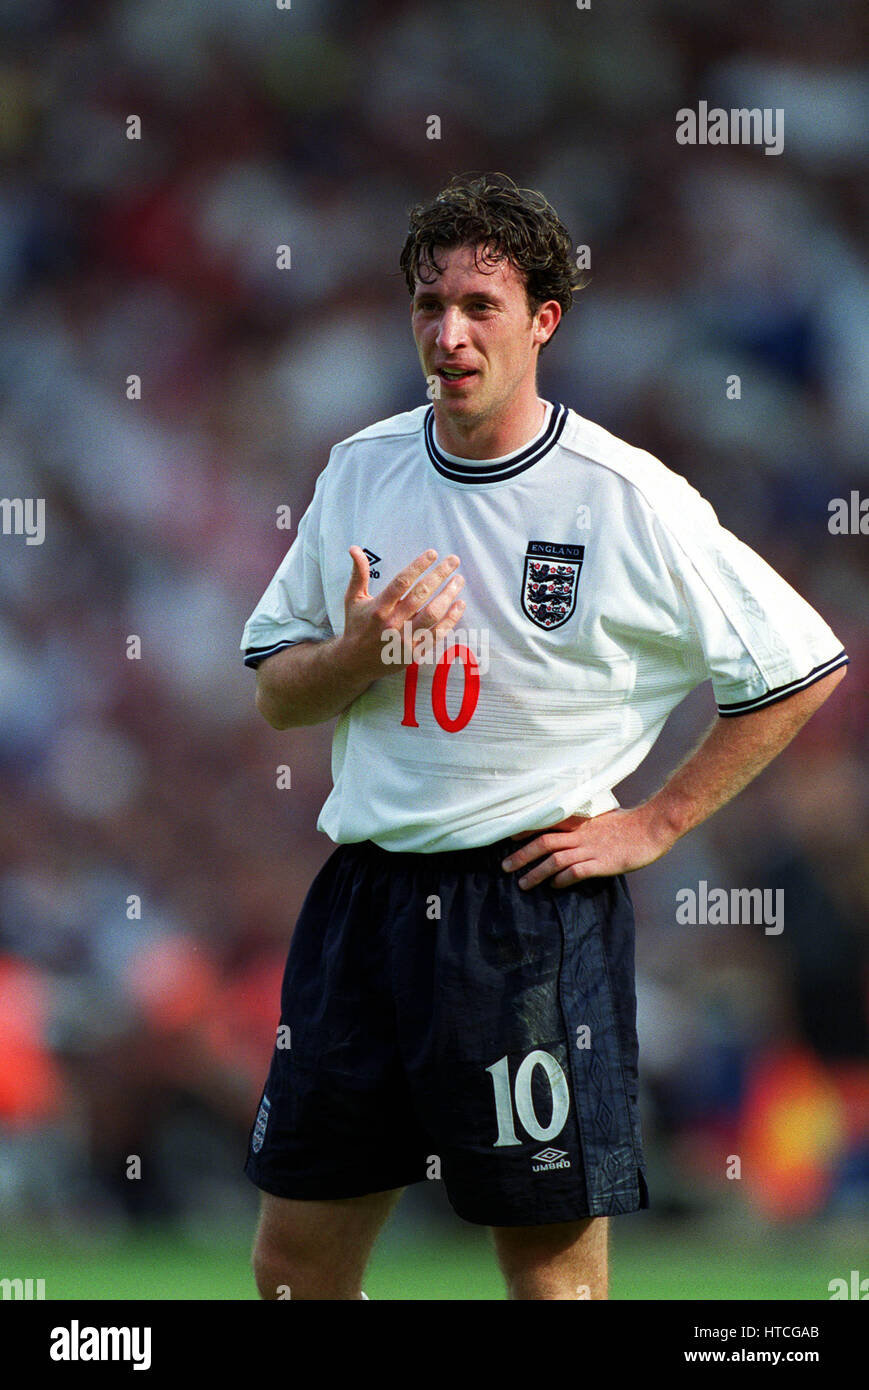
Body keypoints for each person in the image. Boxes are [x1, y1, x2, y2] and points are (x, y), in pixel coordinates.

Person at [239, 173, 848, 1300]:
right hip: (362, 907)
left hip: (521, 914)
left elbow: (795, 665)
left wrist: (654, 820)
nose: (449, 333)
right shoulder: (361, 467)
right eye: (428, 306)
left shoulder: (621, 495)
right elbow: (279, 692)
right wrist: (355, 656)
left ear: (542, 321)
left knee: (551, 1281)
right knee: (291, 1267)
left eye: (480, 305)